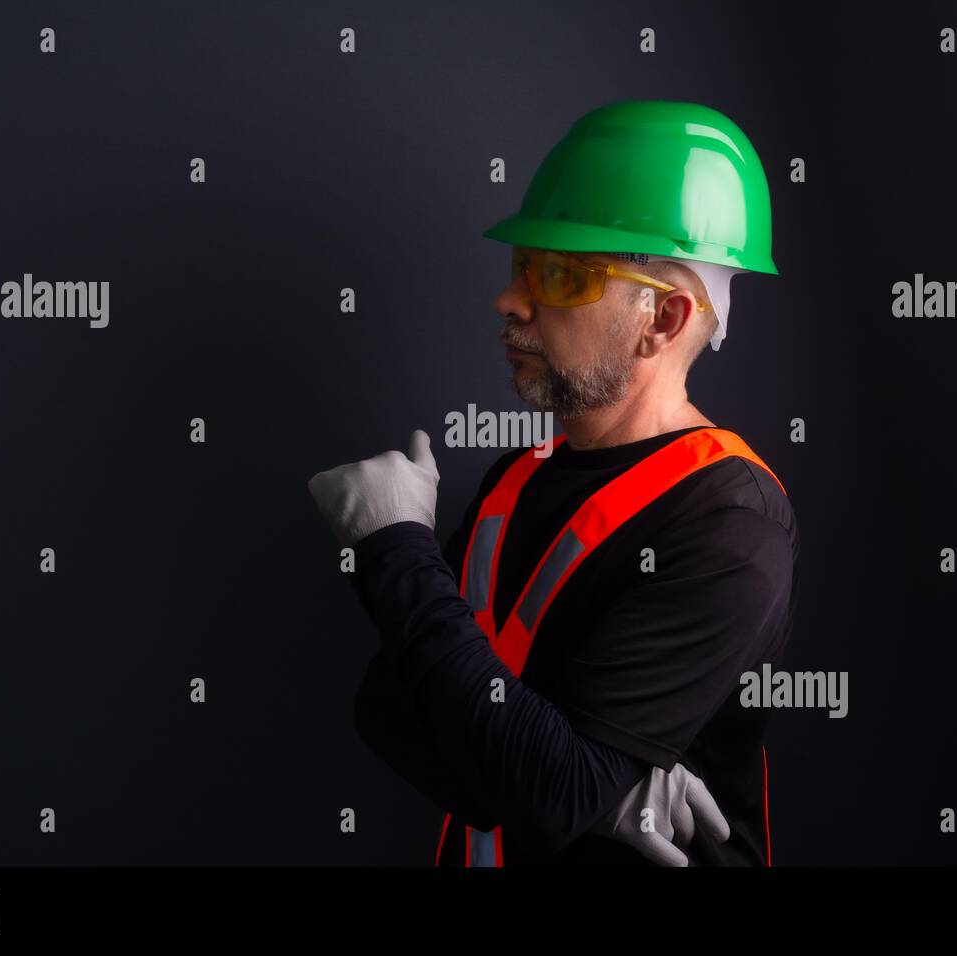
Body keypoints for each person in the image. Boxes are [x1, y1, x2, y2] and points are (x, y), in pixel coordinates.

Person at [309, 101, 799, 867]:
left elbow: (541, 786)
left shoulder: (730, 523)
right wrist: (583, 791)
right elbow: (388, 714)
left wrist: (394, 546)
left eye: (563, 276)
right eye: (521, 267)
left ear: (663, 321)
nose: (509, 301)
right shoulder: (517, 479)